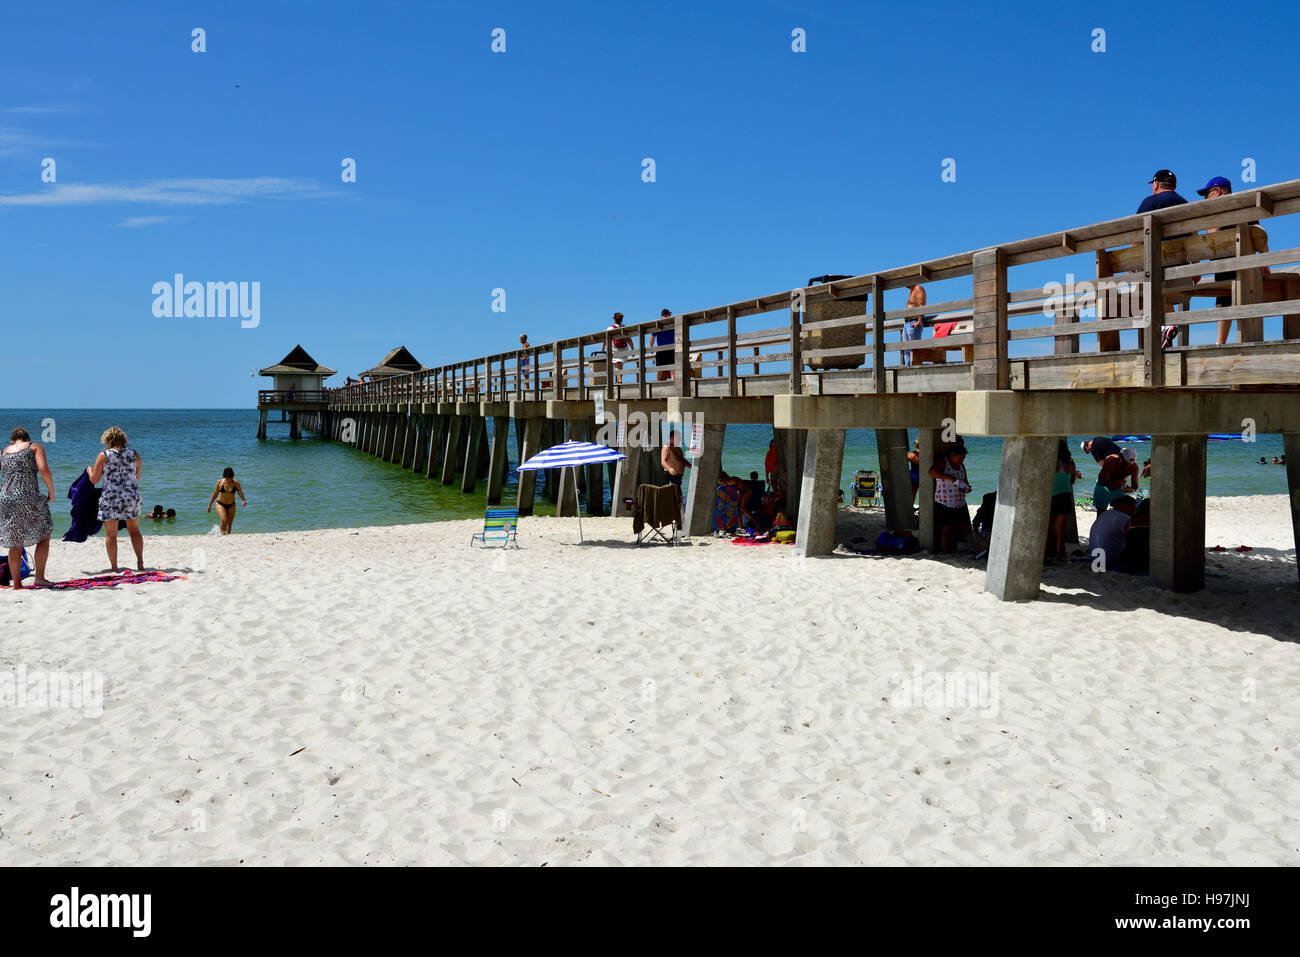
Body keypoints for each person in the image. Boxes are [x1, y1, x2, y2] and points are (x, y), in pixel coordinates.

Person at [0, 427, 55, 588]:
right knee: (45, 533)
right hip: (28, 495)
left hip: (5, 498)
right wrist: (51, 491)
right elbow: (44, 469)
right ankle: (39, 578)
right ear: (27, 439)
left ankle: (17, 584)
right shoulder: (34, 447)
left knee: (14, 541)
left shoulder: (3, 452)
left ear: (12, 441)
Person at [87, 426, 144, 572]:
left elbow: (94, 480)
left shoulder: (104, 455)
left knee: (111, 534)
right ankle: (140, 563)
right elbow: (137, 477)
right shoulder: (134, 454)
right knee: (135, 531)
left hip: (111, 498)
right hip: (131, 496)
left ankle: (114, 567)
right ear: (123, 439)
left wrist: (89, 470)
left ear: (107, 440)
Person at [928, 443, 971, 554]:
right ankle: (946, 552)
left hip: (960, 502)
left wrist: (966, 487)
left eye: (964, 458)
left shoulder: (961, 466)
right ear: (952, 455)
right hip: (944, 503)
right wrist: (948, 477)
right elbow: (931, 472)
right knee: (947, 529)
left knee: (966, 527)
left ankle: (973, 549)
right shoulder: (943, 463)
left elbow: (964, 480)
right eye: (960, 457)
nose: (962, 460)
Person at [1048, 440, 1080, 561]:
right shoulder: (1071, 464)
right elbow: (1072, 481)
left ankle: (1045, 553)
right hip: (1065, 495)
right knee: (1060, 529)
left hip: (1053, 495)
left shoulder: (1052, 462)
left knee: (1049, 527)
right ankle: (1059, 556)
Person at [1088, 495, 1136, 571]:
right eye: (1133, 508)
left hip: (1094, 558)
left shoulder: (1105, 514)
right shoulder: (1125, 518)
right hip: (1109, 561)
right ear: (1124, 506)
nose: (1134, 511)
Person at [207, 467, 248, 535]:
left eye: (230, 479)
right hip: (220, 504)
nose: (228, 481)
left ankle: (226, 537)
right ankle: (221, 535)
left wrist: (243, 500)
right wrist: (210, 505)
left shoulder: (236, 483)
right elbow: (215, 494)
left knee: (229, 526)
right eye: (227, 479)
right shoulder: (219, 482)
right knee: (224, 520)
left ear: (232, 476)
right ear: (224, 476)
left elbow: (240, 491)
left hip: (231, 505)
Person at [902, 284, 927, 366]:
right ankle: (908, 367)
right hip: (907, 323)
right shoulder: (911, 291)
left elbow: (921, 305)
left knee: (914, 349)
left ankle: (915, 368)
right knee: (906, 349)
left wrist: (919, 321)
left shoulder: (918, 288)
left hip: (914, 322)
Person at [660, 430, 690, 497]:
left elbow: (682, 461)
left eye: (680, 438)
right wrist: (669, 469)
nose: (680, 440)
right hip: (670, 476)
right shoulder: (666, 448)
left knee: (678, 496)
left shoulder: (678, 449)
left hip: (678, 477)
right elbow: (663, 462)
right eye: (678, 438)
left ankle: (679, 506)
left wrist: (692, 466)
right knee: (670, 496)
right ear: (672, 438)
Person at [606, 313, 630, 383]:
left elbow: (605, 339)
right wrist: (633, 349)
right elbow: (629, 339)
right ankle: (618, 381)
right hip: (624, 349)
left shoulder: (610, 328)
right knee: (620, 367)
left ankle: (619, 380)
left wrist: (603, 347)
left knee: (617, 366)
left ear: (614, 319)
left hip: (615, 350)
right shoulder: (625, 327)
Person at [652, 310, 675, 382]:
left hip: (661, 349)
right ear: (668, 315)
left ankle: (657, 381)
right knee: (672, 367)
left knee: (659, 367)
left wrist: (651, 348)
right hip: (671, 348)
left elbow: (652, 337)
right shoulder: (673, 324)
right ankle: (673, 381)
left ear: (662, 315)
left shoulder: (658, 324)